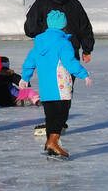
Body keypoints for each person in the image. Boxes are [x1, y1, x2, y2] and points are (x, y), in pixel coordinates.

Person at [24, 0, 95, 135]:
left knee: (49, 88)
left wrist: (42, 37)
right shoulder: (75, 4)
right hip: (69, 51)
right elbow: (85, 27)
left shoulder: (40, 4)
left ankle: (53, 125)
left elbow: (30, 28)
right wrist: (87, 49)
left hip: (46, 54)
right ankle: (60, 123)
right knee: (66, 89)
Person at [20, 11, 90, 159]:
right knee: (62, 114)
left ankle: (50, 146)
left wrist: (25, 77)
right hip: (61, 85)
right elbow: (70, 62)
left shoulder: (39, 43)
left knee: (50, 116)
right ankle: (53, 142)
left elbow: (29, 61)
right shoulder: (63, 43)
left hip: (46, 88)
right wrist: (83, 74)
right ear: (63, 25)